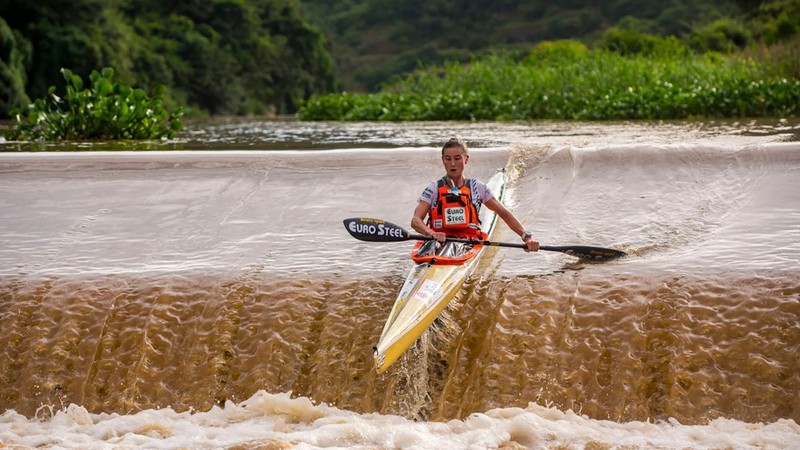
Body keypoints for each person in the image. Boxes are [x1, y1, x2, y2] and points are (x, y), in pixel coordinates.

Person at [411, 138, 539, 253]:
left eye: (457, 158)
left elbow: (504, 214)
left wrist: (526, 237)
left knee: (452, 248)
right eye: (448, 159)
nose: (452, 164)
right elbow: (416, 221)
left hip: (468, 244)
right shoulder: (434, 188)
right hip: (437, 243)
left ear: (466, 159)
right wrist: (431, 233)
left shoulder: (477, 187)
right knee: (436, 247)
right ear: (443, 160)